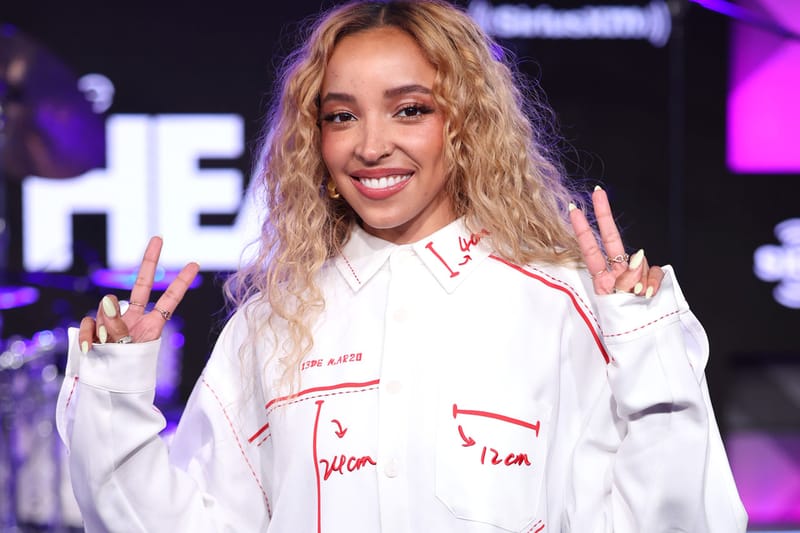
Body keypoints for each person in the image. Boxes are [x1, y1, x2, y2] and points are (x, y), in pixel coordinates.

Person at [56, 0, 748, 531]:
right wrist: (114, 392)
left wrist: (648, 349)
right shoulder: (274, 324)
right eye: (340, 117)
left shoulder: (565, 304)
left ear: (465, 126)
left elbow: (682, 517)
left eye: (408, 109)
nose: (371, 145)